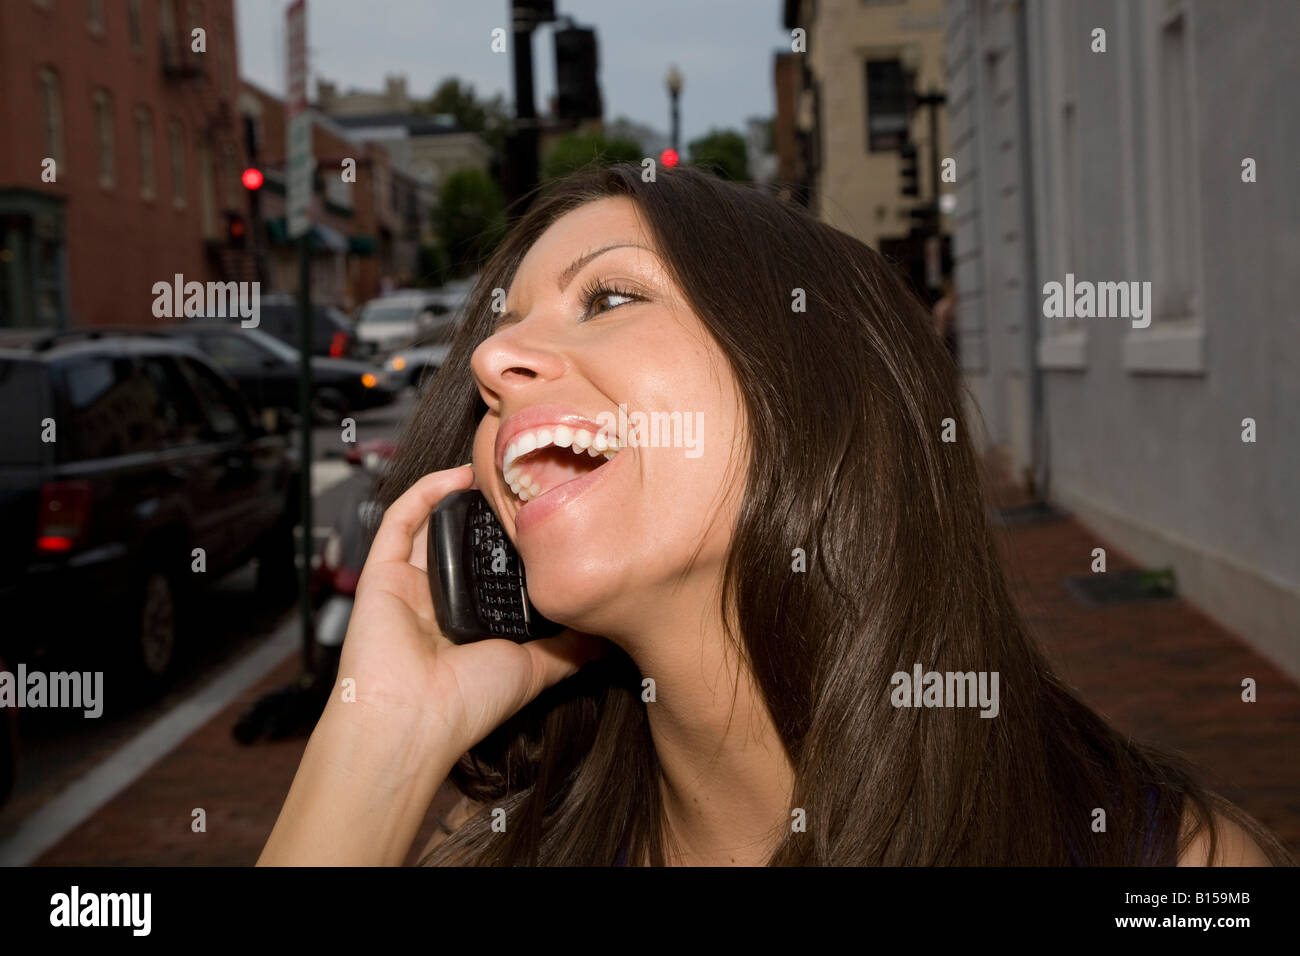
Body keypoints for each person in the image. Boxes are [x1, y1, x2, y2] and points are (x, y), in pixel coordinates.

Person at [258, 164, 1290, 866]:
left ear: (814, 383)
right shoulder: (486, 848)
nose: (487, 361)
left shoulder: (1168, 858)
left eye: (610, 297)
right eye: (500, 329)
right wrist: (385, 730)